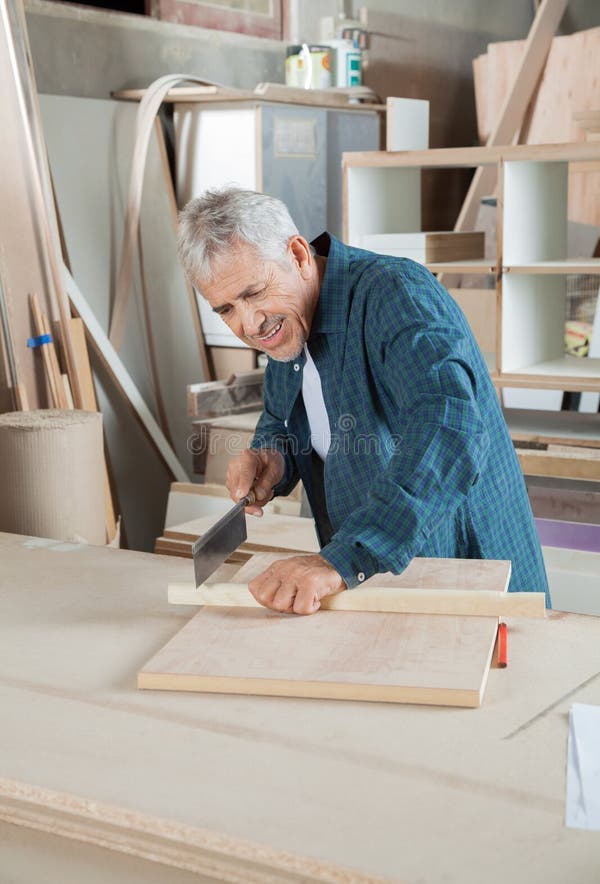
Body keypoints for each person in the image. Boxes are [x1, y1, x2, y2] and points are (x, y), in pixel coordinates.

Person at [178, 187, 550, 615]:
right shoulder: (284, 324)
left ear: (298, 256)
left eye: (253, 293)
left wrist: (342, 558)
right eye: (225, 310)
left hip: (469, 576)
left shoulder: (395, 294)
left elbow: (450, 430)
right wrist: (272, 459)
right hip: (377, 582)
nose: (248, 324)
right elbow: (285, 420)